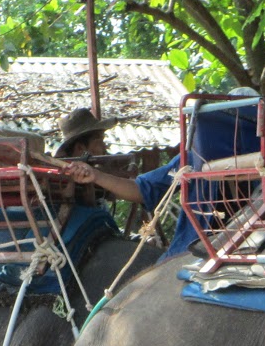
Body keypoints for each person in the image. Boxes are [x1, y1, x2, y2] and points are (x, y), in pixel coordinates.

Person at [56, 106, 206, 262]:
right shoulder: (65, 186)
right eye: (100, 142)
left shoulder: (99, 179)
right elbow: (143, 189)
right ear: (81, 149)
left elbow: (142, 189)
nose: (105, 148)